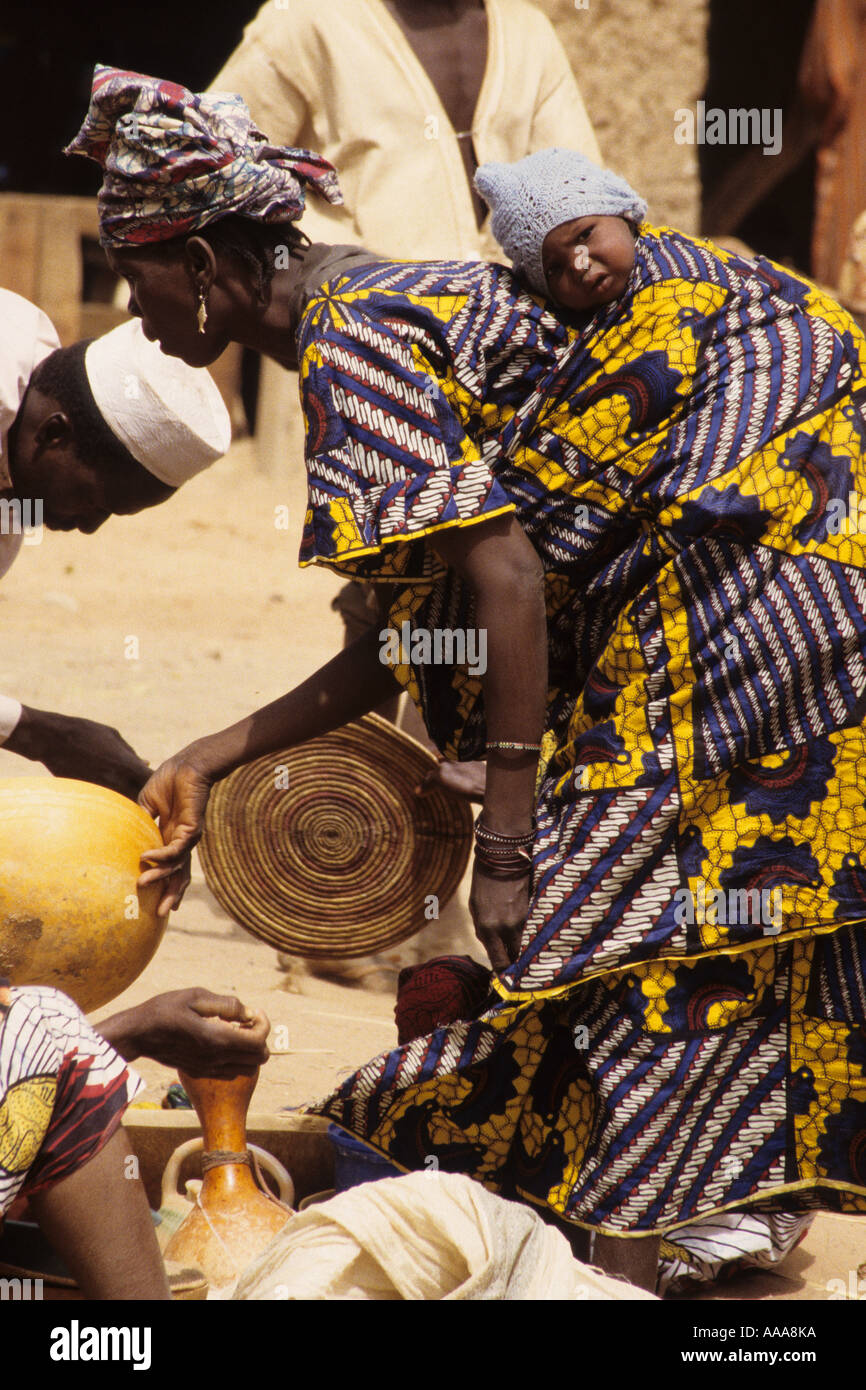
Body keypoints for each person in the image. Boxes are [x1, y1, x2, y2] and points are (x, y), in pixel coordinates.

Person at [68, 69, 866, 1291]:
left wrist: (503, 834)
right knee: (684, 917)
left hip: (754, 560)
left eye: (142, 273)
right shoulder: (369, 306)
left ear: (212, 254)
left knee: (612, 913)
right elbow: (402, 639)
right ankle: (697, 1212)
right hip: (771, 552)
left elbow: (505, 581)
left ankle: (629, 1253)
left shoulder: (350, 337)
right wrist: (204, 757)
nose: (138, 306)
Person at [0, 290, 231, 797]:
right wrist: (43, 734)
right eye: (94, 502)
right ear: (55, 434)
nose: (89, 528)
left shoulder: (20, 475)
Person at [0, 980, 269, 1299]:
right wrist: (134, 1032)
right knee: (47, 1021)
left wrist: (133, 1034)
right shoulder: (43, 1022)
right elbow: (36, 1048)